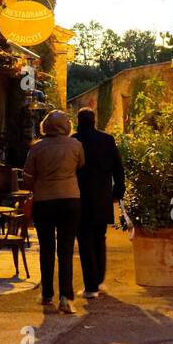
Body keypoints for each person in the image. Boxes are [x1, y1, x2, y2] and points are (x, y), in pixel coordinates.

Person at [23, 110, 84, 314]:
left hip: (44, 201)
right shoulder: (76, 145)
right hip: (70, 200)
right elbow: (81, 165)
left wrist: (37, 184)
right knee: (66, 249)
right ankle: (66, 297)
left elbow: (27, 177)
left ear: (45, 126)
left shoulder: (37, 148)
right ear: (67, 126)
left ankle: (47, 293)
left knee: (47, 248)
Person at [73, 107, 125, 298]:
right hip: (103, 195)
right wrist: (118, 191)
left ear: (79, 121)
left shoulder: (74, 140)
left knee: (84, 239)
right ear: (94, 120)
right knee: (99, 238)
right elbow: (118, 168)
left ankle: (91, 285)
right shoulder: (107, 140)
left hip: (80, 196)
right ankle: (99, 279)